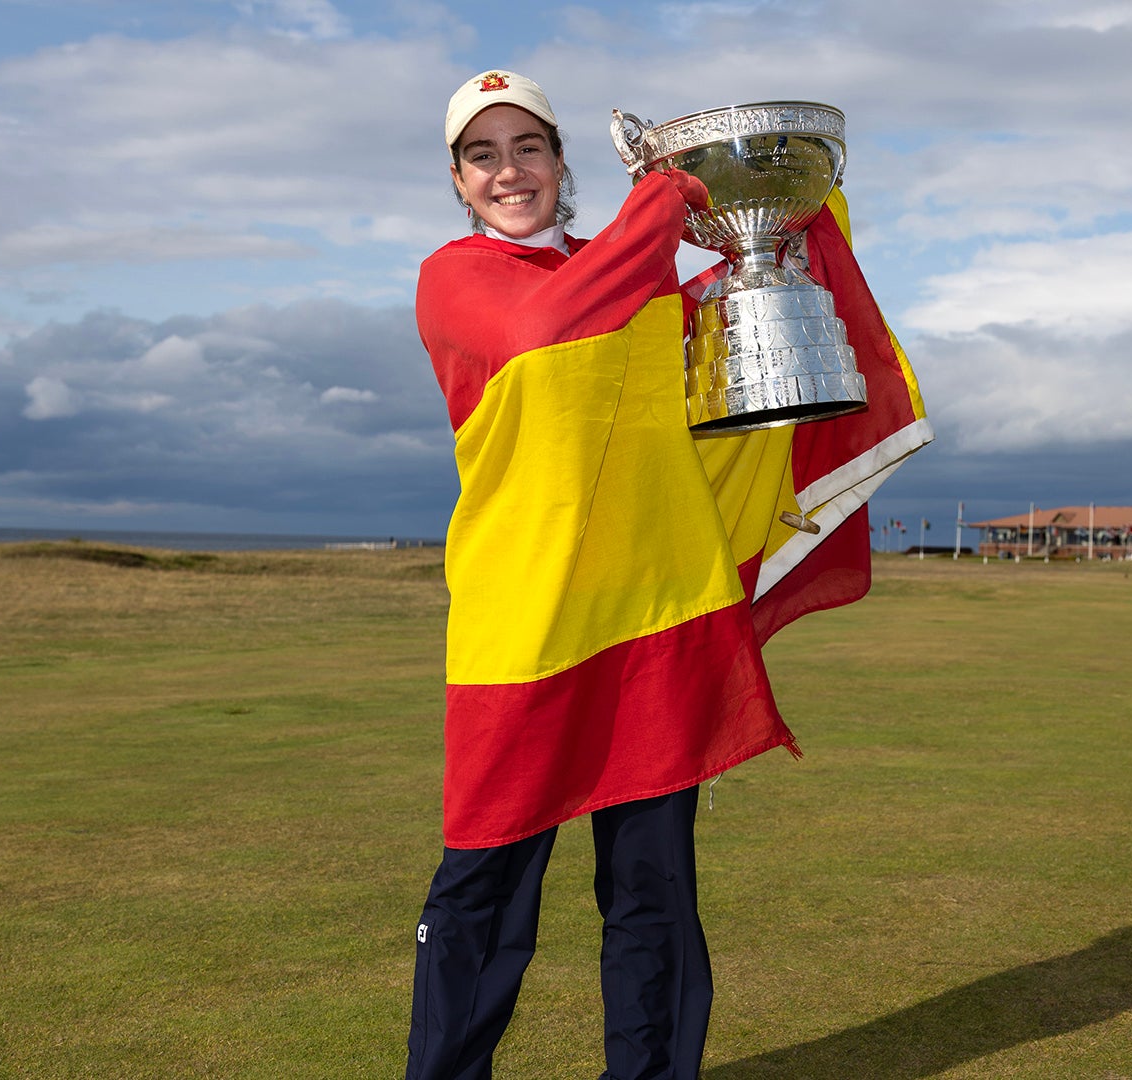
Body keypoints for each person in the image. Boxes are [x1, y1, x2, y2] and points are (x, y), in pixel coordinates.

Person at [406, 69, 931, 1079]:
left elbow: (714, 344)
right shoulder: (456, 276)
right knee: (482, 886)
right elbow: (548, 331)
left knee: (653, 892)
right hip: (525, 628)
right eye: (484, 154)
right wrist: (663, 201)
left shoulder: (633, 274)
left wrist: (776, 238)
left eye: (529, 147)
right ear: (461, 182)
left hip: (653, 611)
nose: (509, 169)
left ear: (561, 165)